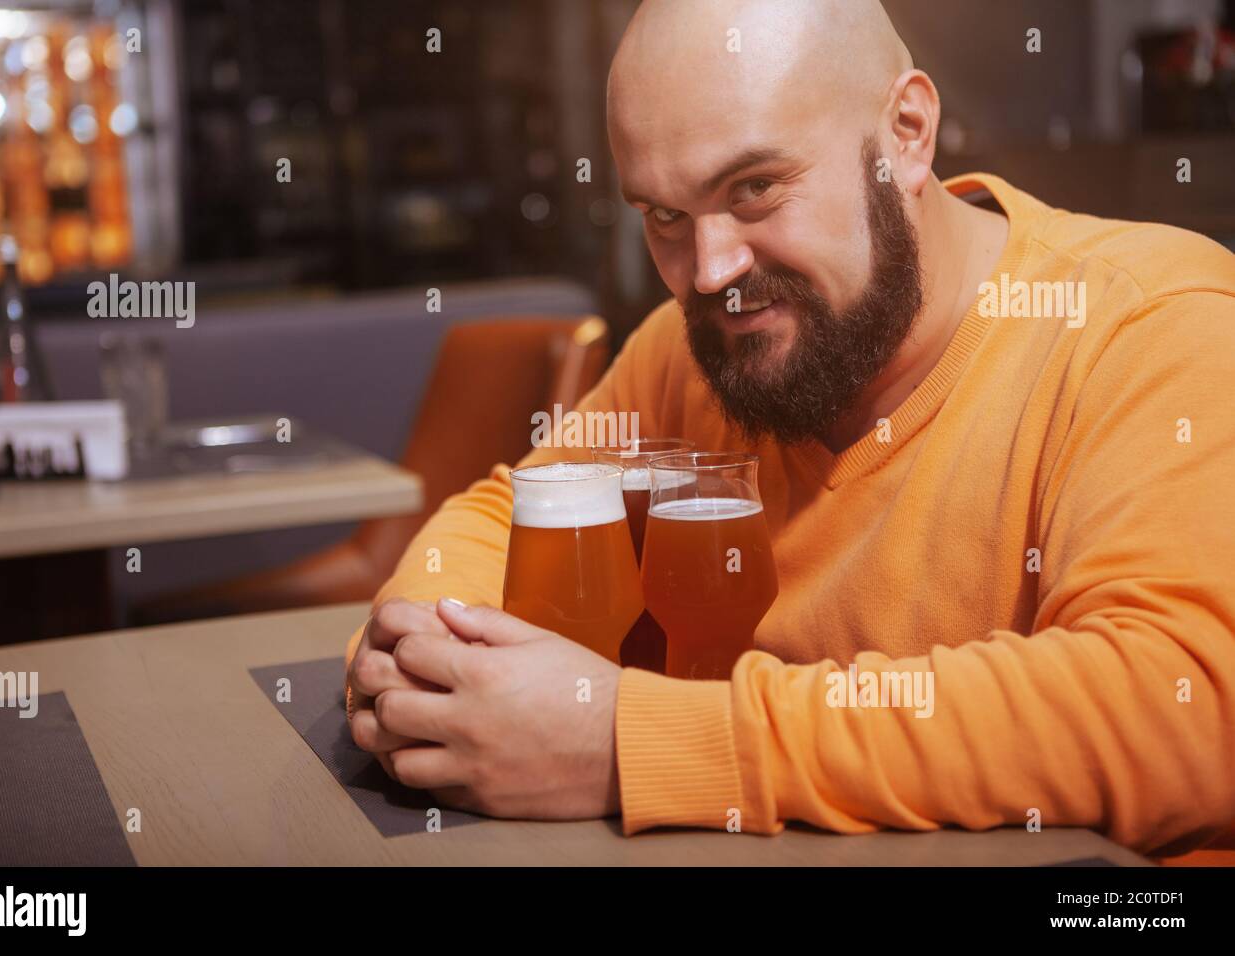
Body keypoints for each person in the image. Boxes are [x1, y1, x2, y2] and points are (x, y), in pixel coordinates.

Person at [344, 0, 1235, 856]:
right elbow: (507, 512)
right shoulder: (697, 349)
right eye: (664, 215)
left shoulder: (1153, 324)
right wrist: (420, 663)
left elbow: (1181, 708)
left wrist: (628, 745)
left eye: (756, 187)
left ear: (907, 134)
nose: (710, 271)